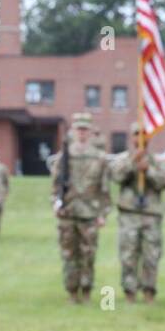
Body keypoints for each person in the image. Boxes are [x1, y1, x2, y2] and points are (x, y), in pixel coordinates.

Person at [51, 112, 109, 303]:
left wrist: (103, 214)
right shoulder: (64, 156)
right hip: (68, 211)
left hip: (90, 213)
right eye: (78, 129)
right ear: (73, 131)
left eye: (85, 129)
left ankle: (86, 291)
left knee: (88, 254)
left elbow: (105, 190)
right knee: (69, 254)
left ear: (90, 132)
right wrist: (56, 203)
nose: (82, 133)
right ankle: (71, 291)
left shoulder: (99, 158)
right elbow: (56, 184)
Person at [109, 125, 165, 302]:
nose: (141, 138)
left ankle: (149, 292)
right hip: (130, 214)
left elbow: (164, 182)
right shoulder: (124, 159)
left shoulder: (156, 161)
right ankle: (130, 292)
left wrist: (148, 170)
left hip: (151, 214)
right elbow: (116, 177)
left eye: (144, 134)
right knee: (128, 255)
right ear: (132, 137)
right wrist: (132, 163)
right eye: (137, 134)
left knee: (151, 255)